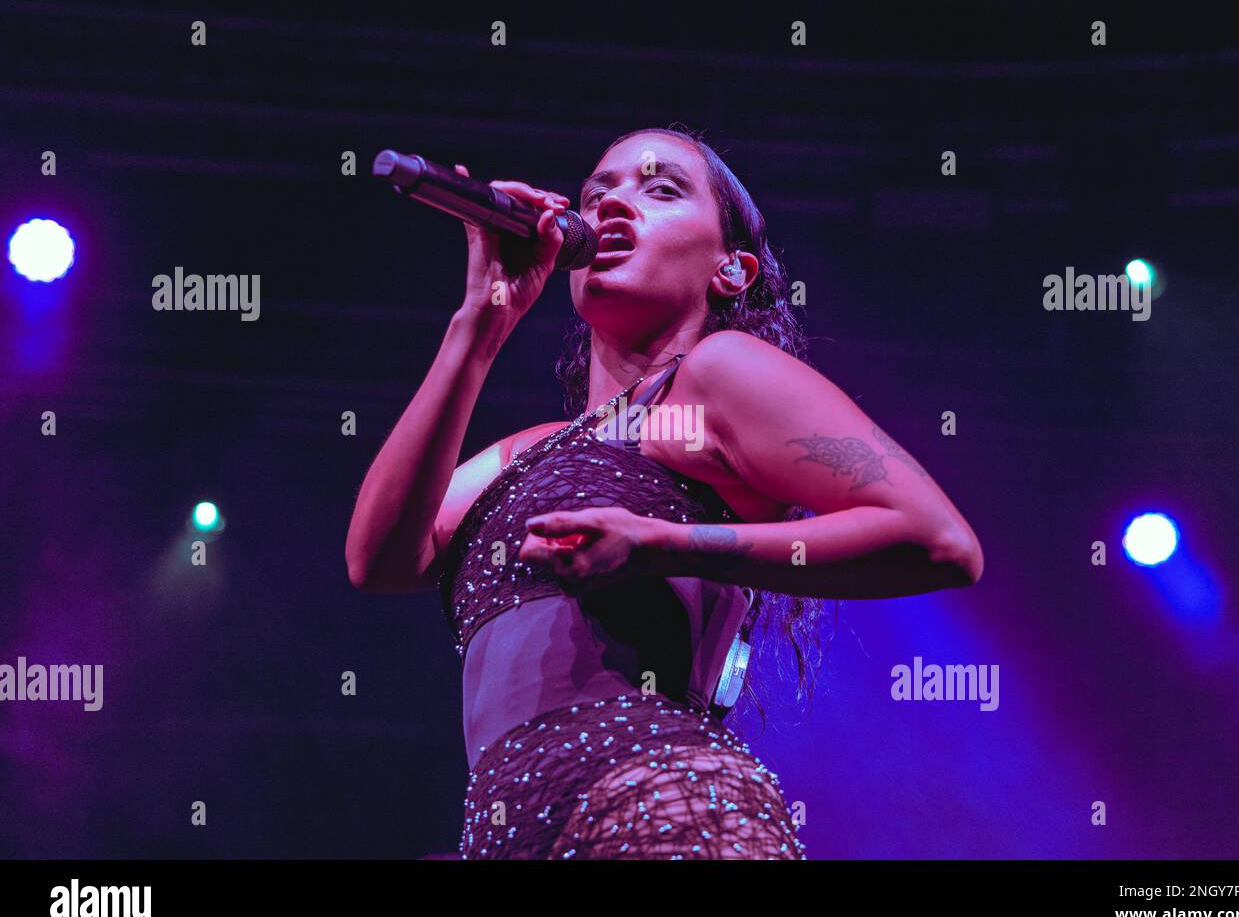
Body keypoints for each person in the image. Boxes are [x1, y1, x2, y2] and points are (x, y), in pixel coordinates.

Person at [346, 126, 983, 859]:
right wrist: (480, 324)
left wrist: (664, 544)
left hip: (658, 795)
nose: (614, 206)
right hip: (508, 828)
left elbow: (939, 540)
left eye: (660, 190)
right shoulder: (521, 451)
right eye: (598, 192)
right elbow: (381, 558)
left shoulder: (718, 374)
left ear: (732, 271)